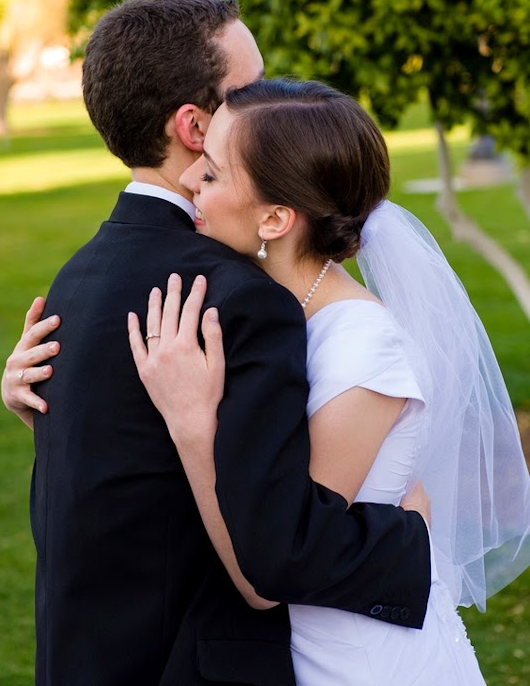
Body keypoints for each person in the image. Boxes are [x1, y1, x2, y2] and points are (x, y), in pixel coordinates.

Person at [1, 0, 432, 686]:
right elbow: (276, 546)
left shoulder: (77, 277)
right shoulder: (237, 299)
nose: (268, 102)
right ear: (196, 126)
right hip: (186, 663)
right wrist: (406, 534)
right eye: (249, 88)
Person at [127, 78, 530, 686]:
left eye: (210, 173)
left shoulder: (364, 353)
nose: (188, 183)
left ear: (276, 218)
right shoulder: (271, 316)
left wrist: (190, 425)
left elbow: (266, 573)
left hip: (363, 664)